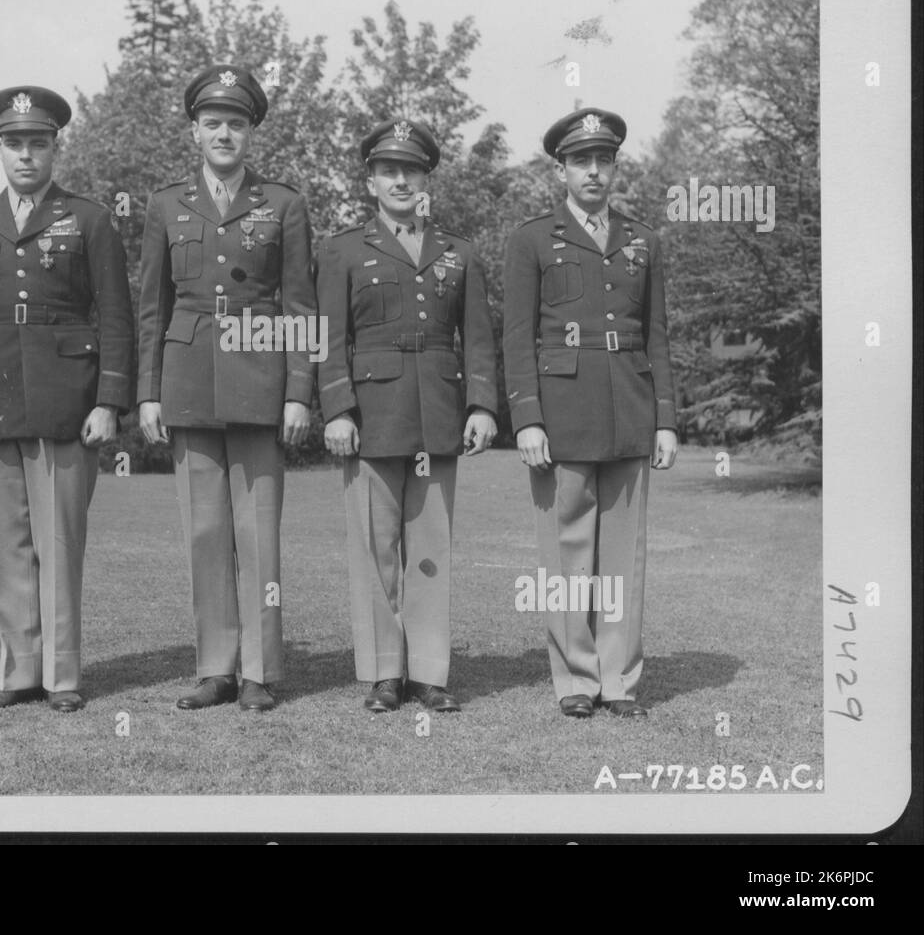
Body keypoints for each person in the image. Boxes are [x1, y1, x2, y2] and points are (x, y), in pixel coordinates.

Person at [0, 85, 133, 712]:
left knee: (59, 542)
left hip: (68, 403)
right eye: (15, 144)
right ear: (0, 149)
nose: (26, 155)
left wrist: (109, 402)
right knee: (7, 543)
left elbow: (117, 320)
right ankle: (19, 673)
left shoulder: (91, 219)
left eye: (37, 143)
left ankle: (63, 676)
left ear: (55, 148)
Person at [137, 64, 316, 712]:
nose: (224, 134)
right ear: (194, 131)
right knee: (205, 533)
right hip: (186, 382)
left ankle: (261, 668)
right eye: (213, 123)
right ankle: (216, 665)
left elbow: (300, 305)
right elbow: (152, 307)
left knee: (259, 532)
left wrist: (299, 389)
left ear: (251, 133)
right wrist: (147, 391)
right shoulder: (165, 205)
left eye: (236, 124)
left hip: (261, 382)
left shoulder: (285, 205)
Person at [502, 107, 678, 720]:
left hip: (629, 409)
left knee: (623, 557)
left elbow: (656, 337)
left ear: (615, 167)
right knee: (568, 552)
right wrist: (526, 417)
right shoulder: (531, 240)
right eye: (582, 161)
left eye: (604, 160)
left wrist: (665, 419)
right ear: (561, 170)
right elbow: (517, 337)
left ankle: (620, 680)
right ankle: (577, 678)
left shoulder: (642, 241)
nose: (595, 171)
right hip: (562, 413)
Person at [316, 120, 497, 713]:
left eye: (412, 170)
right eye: (389, 170)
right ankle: (382, 672)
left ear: (426, 181)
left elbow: (478, 340)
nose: (401, 180)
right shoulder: (342, 250)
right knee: (374, 546)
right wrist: (337, 408)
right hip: (371, 416)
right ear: (371, 181)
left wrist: (482, 405)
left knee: (429, 548)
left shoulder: (459, 253)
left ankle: (429, 672)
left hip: (439, 413)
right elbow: (327, 339)